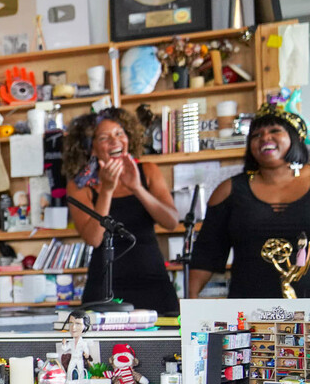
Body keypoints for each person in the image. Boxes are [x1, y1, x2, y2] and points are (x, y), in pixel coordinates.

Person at [63, 107, 180, 313]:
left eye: (119, 133)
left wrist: (137, 187)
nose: (115, 141)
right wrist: (107, 190)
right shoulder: (80, 185)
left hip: (152, 282)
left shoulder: (148, 171)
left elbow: (171, 222)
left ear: (129, 138)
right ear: (92, 148)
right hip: (105, 287)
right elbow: (94, 238)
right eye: (104, 137)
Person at [190, 105, 310, 298]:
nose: (264, 138)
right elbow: (207, 254)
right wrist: (191, 301)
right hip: (248, 310)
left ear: (295, 138)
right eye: (256, 135)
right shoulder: (228, 191)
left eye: (274, 131)